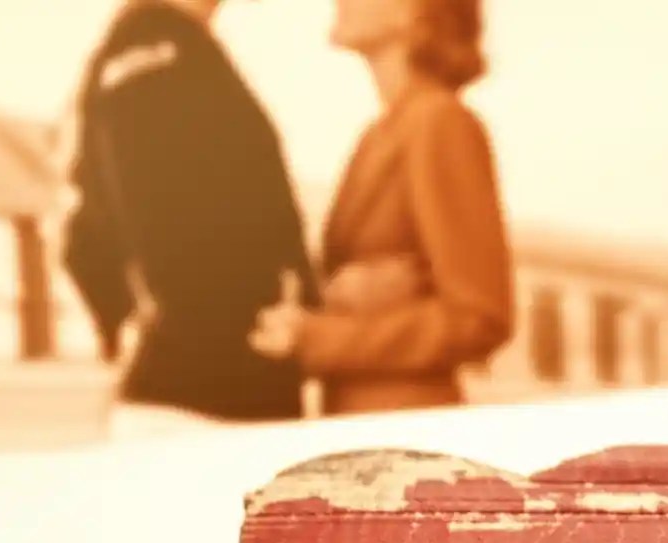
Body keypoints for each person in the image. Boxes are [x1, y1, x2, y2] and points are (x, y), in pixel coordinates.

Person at [63, 0, 413, 435]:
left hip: (200, 400)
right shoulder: (160, 49)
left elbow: (83, 246)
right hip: (205, 407)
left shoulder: (159, 47)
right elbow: (178, 232)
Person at [248, 0, 514, 416]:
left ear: (415, 14)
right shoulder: (379, 133)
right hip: (357, 418)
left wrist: (320, 338)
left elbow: (479, 316)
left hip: (406, 423)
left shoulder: (441, 121)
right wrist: (344, 296)